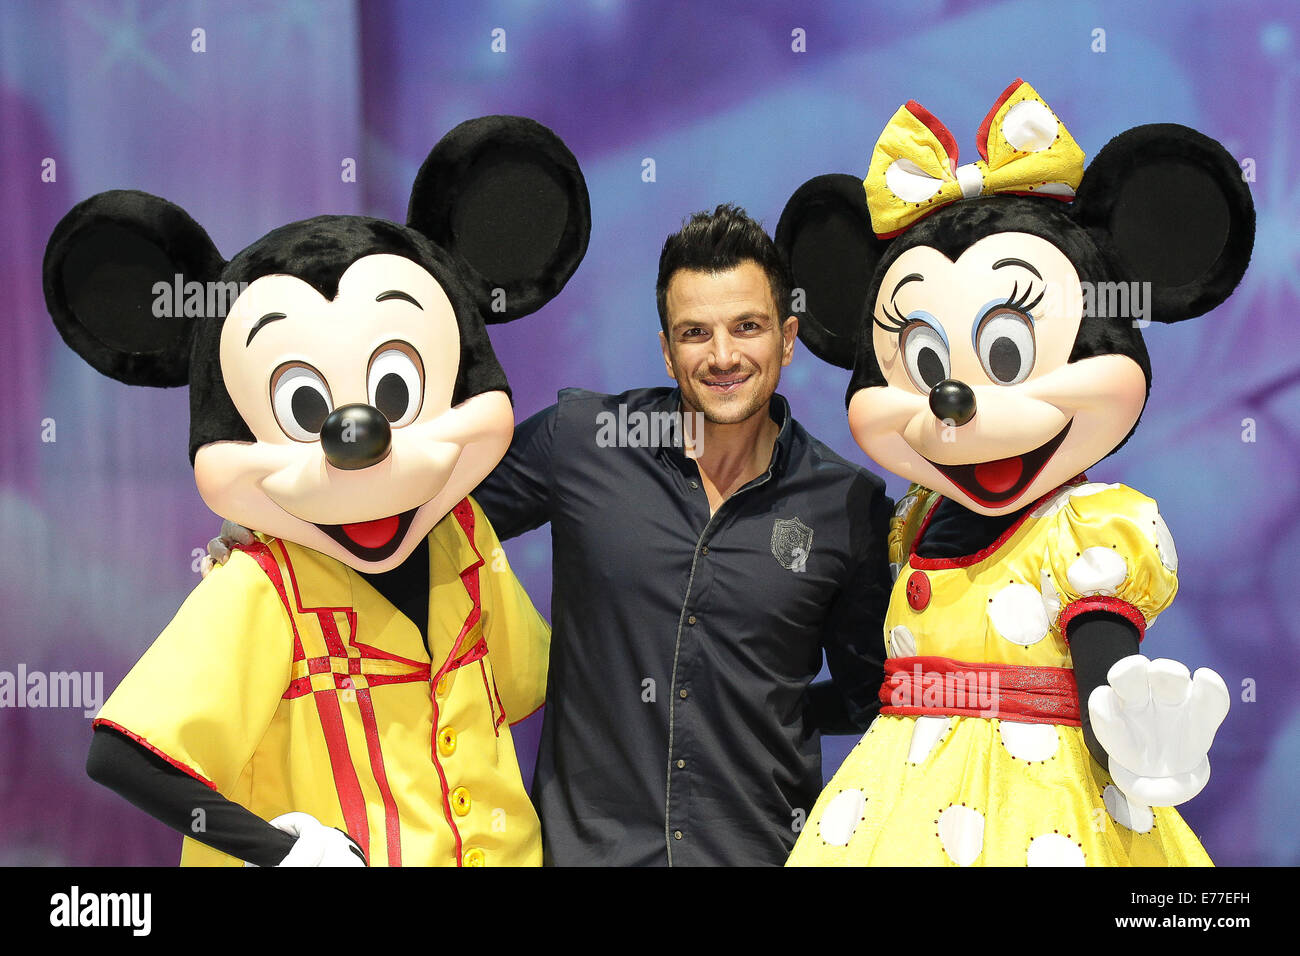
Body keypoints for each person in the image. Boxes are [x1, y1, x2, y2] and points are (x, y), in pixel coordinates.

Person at [471, 203, 894, 865]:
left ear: (786, 339)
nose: (723, 356)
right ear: (668, 352)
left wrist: (771, 703)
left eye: (747, 327)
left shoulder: (845, 504)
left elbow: (877, 698)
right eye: (696, 333)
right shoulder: (582, 443)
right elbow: (426, 522)